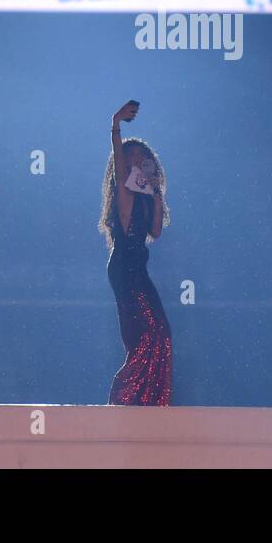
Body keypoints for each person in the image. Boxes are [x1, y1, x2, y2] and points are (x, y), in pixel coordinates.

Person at [100, 100, 172, 405]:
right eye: (134, 157)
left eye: (144, 157)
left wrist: (156, 193)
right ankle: (126, 397)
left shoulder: (144, 197)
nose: (140, 161)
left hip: (137, 267)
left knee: (160, 335)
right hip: (125, 268)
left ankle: (148, 400)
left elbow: (155, 231)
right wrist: (115, 124)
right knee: (147, 335)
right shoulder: (123, 192)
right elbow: (118, 162)